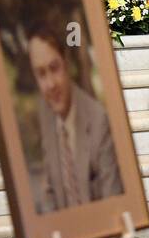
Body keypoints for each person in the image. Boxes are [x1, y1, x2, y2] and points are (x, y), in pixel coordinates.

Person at [25, 23, 123, 213]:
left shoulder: (99, 121)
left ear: (66, 64)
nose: (50, 84)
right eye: (41, 73)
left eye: (54, 68)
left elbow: (114, 204)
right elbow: (50, 190)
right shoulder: (48, 118)